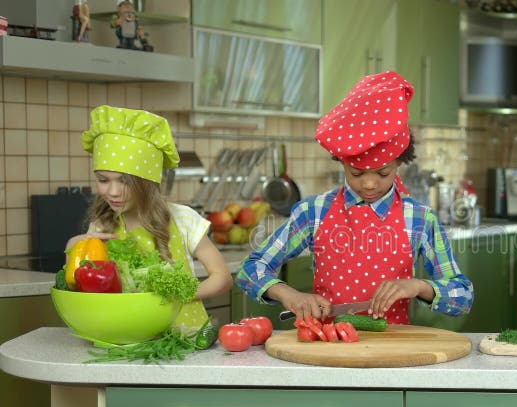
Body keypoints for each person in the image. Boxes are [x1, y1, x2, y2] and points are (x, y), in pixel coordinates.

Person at [236, 71, 473, 324]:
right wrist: (289, 294)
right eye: (356, 173)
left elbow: (463, 297)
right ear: (342, 162)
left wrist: (418, 286)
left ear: (400, 163)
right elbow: (250, 270)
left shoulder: (418, 218)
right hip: (326, 347)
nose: (369, 184)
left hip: (392, 351)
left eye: (383, 173)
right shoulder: (313, 212)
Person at [67, 105, 233, 333]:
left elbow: (222, 278)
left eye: (124, 181)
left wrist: (179, 295)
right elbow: (85, 287)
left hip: (186, 339)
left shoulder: (183, 219)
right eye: (103, 180)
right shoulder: (101, 225)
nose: (113, 191)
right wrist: (73, 249)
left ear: (146, 183)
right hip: (130, 338)